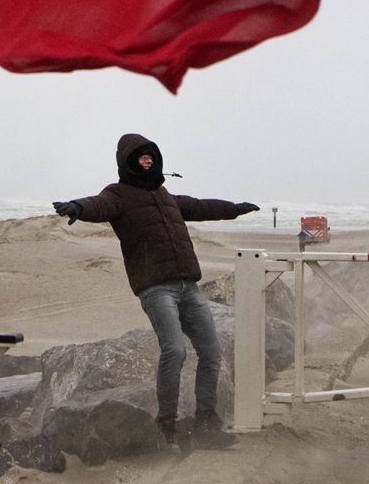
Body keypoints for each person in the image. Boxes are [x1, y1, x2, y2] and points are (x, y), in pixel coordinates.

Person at [52, 133, 259, 452]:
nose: (146, 159)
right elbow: (99, 205)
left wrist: (235, 209)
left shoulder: (165, 196)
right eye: (140, 155)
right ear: (127, 161)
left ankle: (206, 425)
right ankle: (167, 427)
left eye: (150, 155)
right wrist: (78, 207)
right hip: (156, 288)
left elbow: (201, 206)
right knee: (175, 350)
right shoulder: (118, 194)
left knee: (211, 352)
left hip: (188, 286)